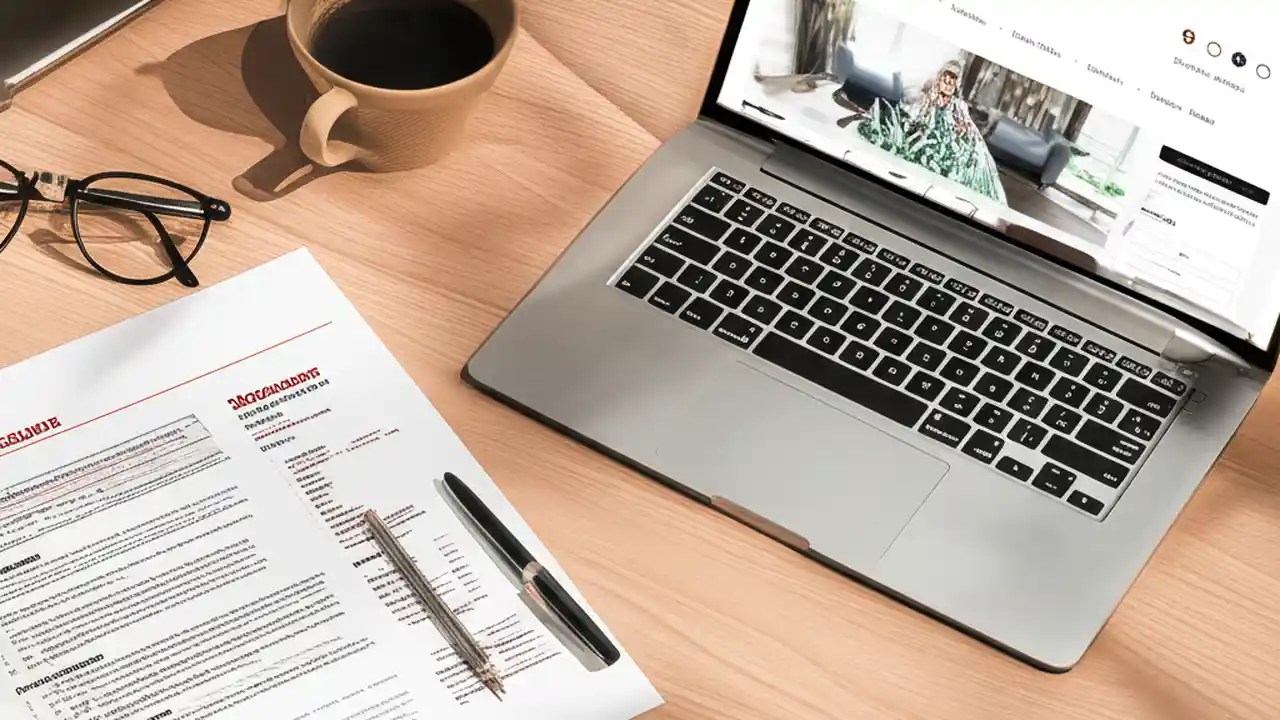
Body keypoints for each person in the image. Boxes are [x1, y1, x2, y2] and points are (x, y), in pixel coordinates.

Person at [854, 59, 1007, 203]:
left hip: (948, 141)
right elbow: (916, 113)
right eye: (945, 80)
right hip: (926, 135)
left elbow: (966, 123)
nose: (947, 85)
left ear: (956, 85)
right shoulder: (928, 98)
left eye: (951, 82)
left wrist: (962, 127)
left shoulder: (959, 105)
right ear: (939, 80)